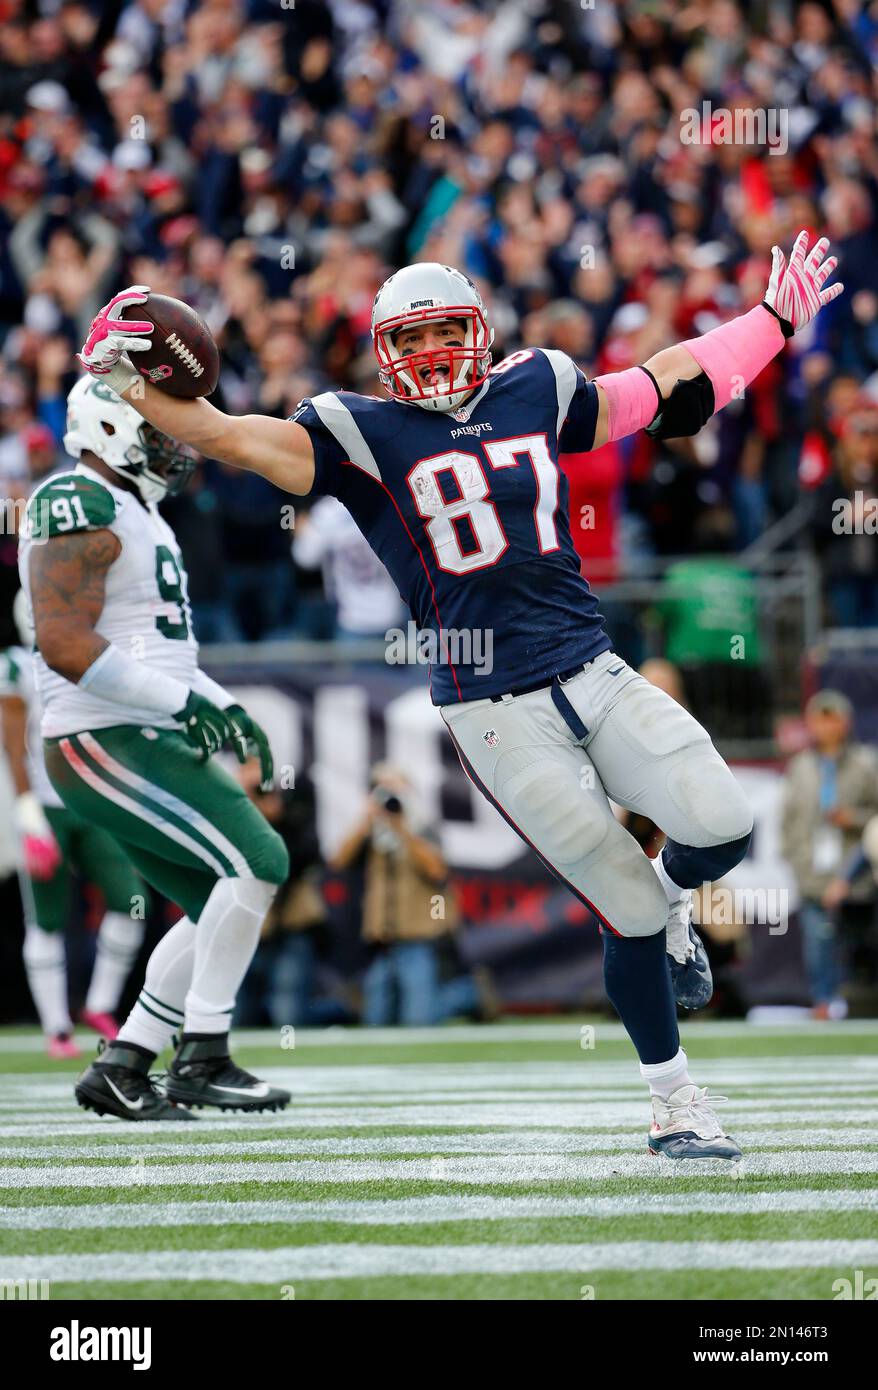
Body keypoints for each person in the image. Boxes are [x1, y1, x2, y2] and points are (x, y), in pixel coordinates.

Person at [77, 229, 842, 1162]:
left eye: (447, 333)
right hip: (493, 711)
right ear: (384, 353)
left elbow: (661, 384)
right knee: (627, 911)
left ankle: (679, 902)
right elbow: (221, 432)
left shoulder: (539, 385)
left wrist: (770, 324)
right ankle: (674, 1100)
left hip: (592, 665)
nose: (435, 356)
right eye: (414, 340)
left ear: (478, 330)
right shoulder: (356, 432)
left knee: (723, 826)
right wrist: (122, 376)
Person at [18, 375, 290, 1120]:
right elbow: (66, 643)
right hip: (103, 734)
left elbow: (160, 649)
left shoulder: (140, 509)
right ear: (109, 426)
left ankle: (126, 1060)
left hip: (138, 728)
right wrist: (185, 702)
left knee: (218, 907)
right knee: (260, 862)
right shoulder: (78, 498)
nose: (172, 441)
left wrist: (223, 702)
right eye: (155, 425)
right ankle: (204, 1052)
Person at [0, 589, 147, 1058]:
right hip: (43, 806)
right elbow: (13, 744)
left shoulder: (92, 660)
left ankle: (100, 1005)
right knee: (46, 918)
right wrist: (27, 815)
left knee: (131, 900)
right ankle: (56, 1027)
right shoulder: (16, 666)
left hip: (92, 800)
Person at [330, 763, 477, 1026]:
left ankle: (468, 995)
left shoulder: (422, 826)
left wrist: (402, 829)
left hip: (419, 936)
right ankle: (463, 995)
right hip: (384, 939)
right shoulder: (372, 832)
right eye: (381, 788)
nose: (387, 795)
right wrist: (367, 818)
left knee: (419, 1019)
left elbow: (437, 871)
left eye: (394, 787)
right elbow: (339, 862)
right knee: (375, 1018)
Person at [780, 690, 878, 1019]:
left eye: (832, 718)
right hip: (813, 868)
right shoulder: (801, 766)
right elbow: (789, 819)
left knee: (853, 941)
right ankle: (823, 1001)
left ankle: (854, 1001)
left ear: (845, 721)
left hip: (855, 869)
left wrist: (853, 817)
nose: (826, 727)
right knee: (816, 941)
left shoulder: (866, 763)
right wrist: (794, 859)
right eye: (819, 719)